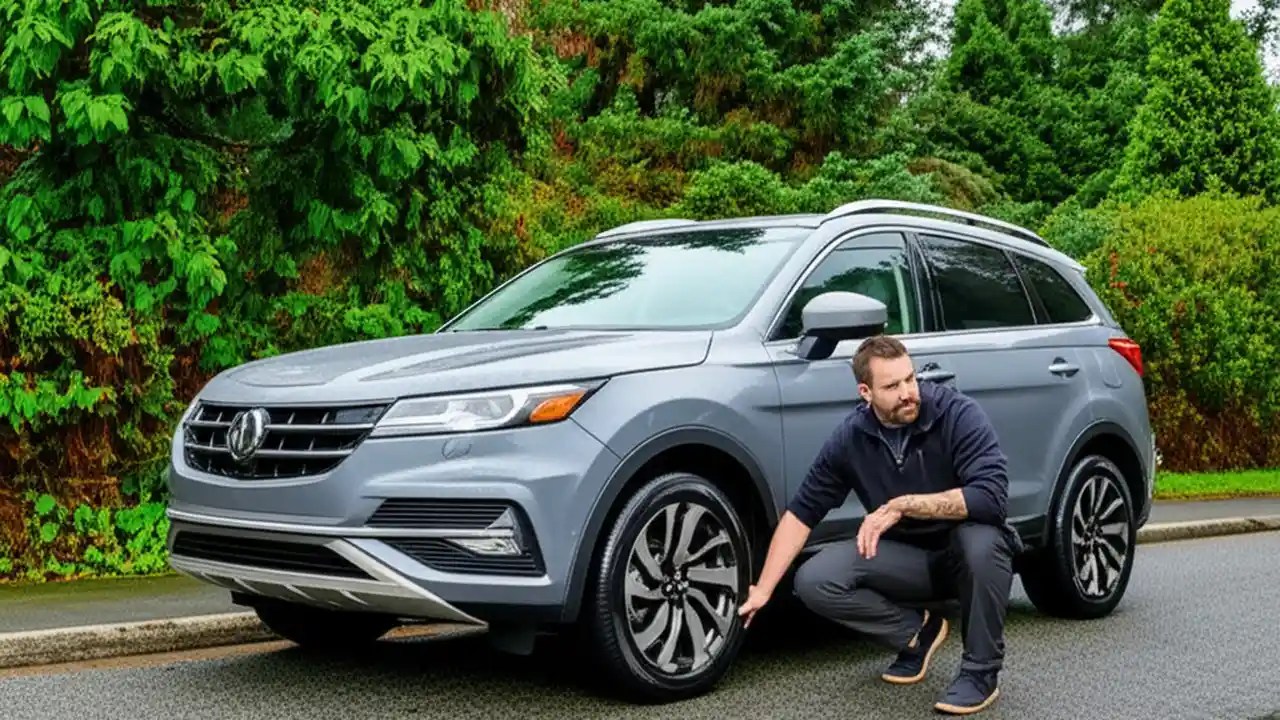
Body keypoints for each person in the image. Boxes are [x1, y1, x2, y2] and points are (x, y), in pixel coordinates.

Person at [738, 334, 1022, 716]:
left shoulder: (957, 414)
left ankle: (979, 672)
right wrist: (764, 589)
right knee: (815, 579)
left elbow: (991, 498)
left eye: (910, 379)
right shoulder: (851, 437)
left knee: (981, 542)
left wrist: (905, 506)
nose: (908, 393)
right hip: (909, 563)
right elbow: (802, 512)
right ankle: (916, 634)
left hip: (969, 554)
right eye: (892, 386)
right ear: (865, 392)